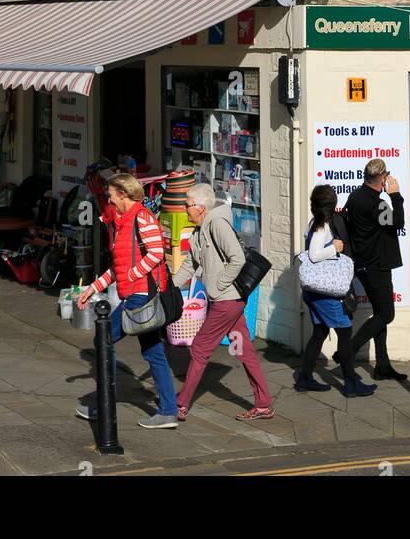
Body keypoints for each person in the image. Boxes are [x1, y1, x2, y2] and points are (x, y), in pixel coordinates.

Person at [76, 170, 179, 429]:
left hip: (140, 296)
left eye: (111, 197)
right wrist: (93, 288)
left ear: (123, 195)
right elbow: (117, 267)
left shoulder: (141, 217)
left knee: (103, 339)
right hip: (136, 293)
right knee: (154, 352)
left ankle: (103, 405)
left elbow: (157, 252)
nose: (109, 202)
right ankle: (168, 410)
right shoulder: (124, 222)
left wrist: (134, 273)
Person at [173, 184, 274, 422]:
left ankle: (179, 404)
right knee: (243, 350)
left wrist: (218, 286)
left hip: (226, 302)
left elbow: (237, 258)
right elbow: (191, 263)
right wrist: (170, 287)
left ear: (200, 207)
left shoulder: (217, 225)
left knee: (199, 349)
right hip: (230, 303)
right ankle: (264, 404)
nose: (184, 209)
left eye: (187, 205)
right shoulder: (199, 231)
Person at [295, 184, 375, 398]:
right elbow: (313, 255)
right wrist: (335, 248)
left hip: (314, 291)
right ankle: (350, 383)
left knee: (319, 332)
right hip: (326, 293)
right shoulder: (322, 227)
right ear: (332, 205)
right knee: (345, 335)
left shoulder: (313, 224)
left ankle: (304, 378)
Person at [343, 158, 408, 381]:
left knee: (379, 314)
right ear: (382, 178)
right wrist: (395, 195)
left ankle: (382, 365)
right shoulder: (377, 203)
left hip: (363, 263)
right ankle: (348, 351)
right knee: (386, 314)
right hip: (376, 265)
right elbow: (398, 221)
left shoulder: (355, 196)